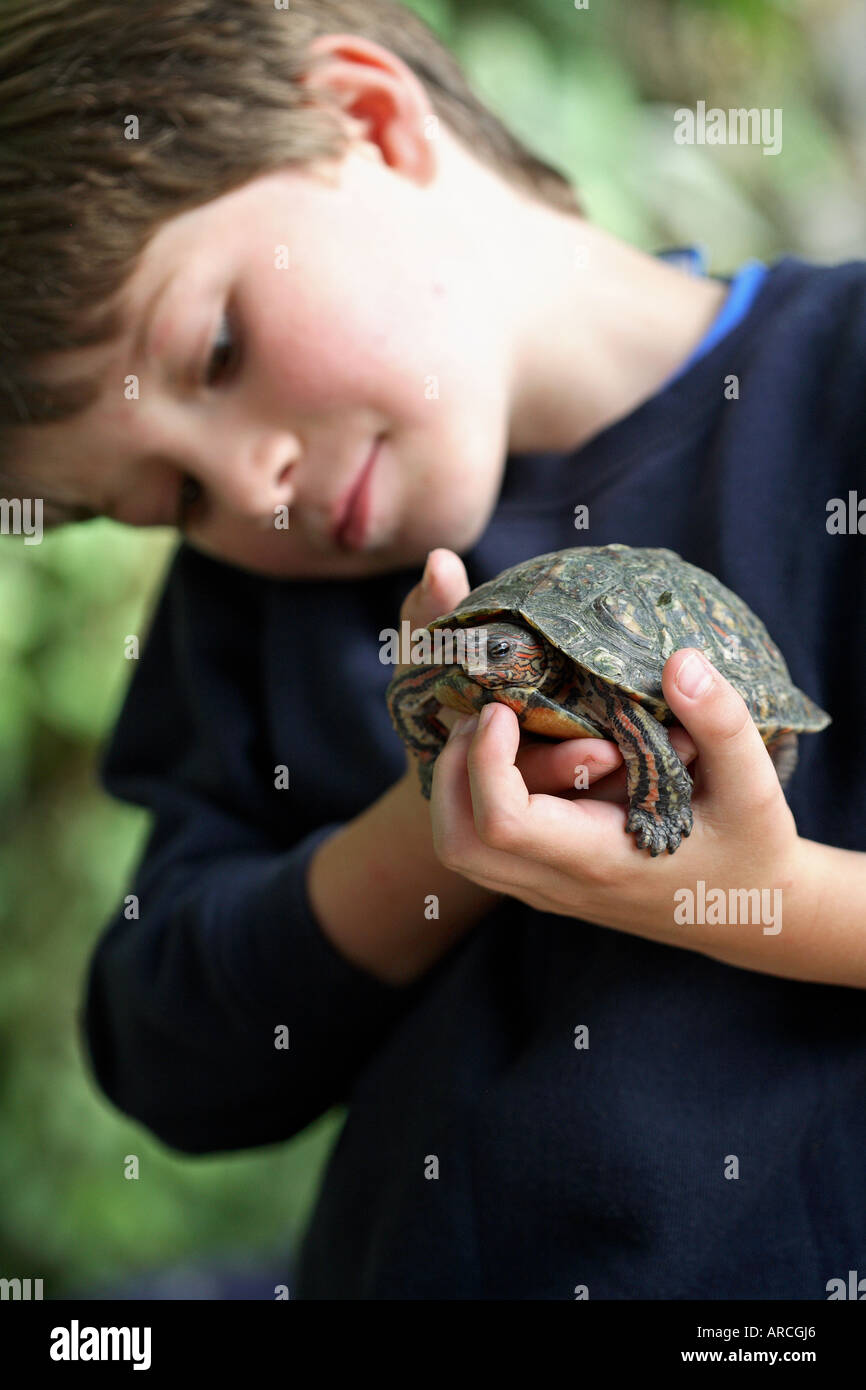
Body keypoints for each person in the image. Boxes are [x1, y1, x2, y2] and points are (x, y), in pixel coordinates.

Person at [2, 0, 865, 1299]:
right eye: (170, 499)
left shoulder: (839, 385)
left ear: (369, 115)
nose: (247, 488)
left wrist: (760, 897)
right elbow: (169, 1048)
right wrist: (429, 835)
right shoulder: (246, 605)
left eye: (215, 348)